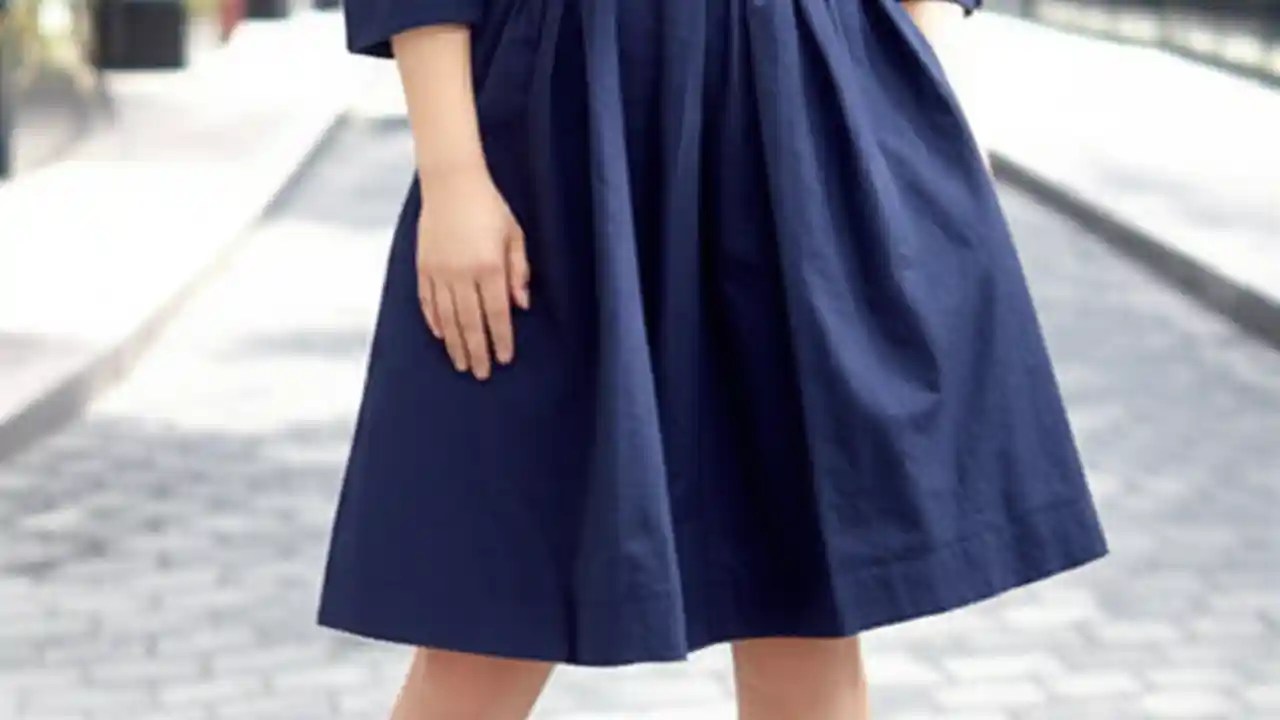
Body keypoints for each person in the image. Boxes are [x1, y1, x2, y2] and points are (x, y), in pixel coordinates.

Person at [316, 0, 1110, 717]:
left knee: (804, 603)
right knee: (486, 610)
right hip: (564, 139)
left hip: (807, 123)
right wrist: (453, 174)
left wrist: (933, 91)